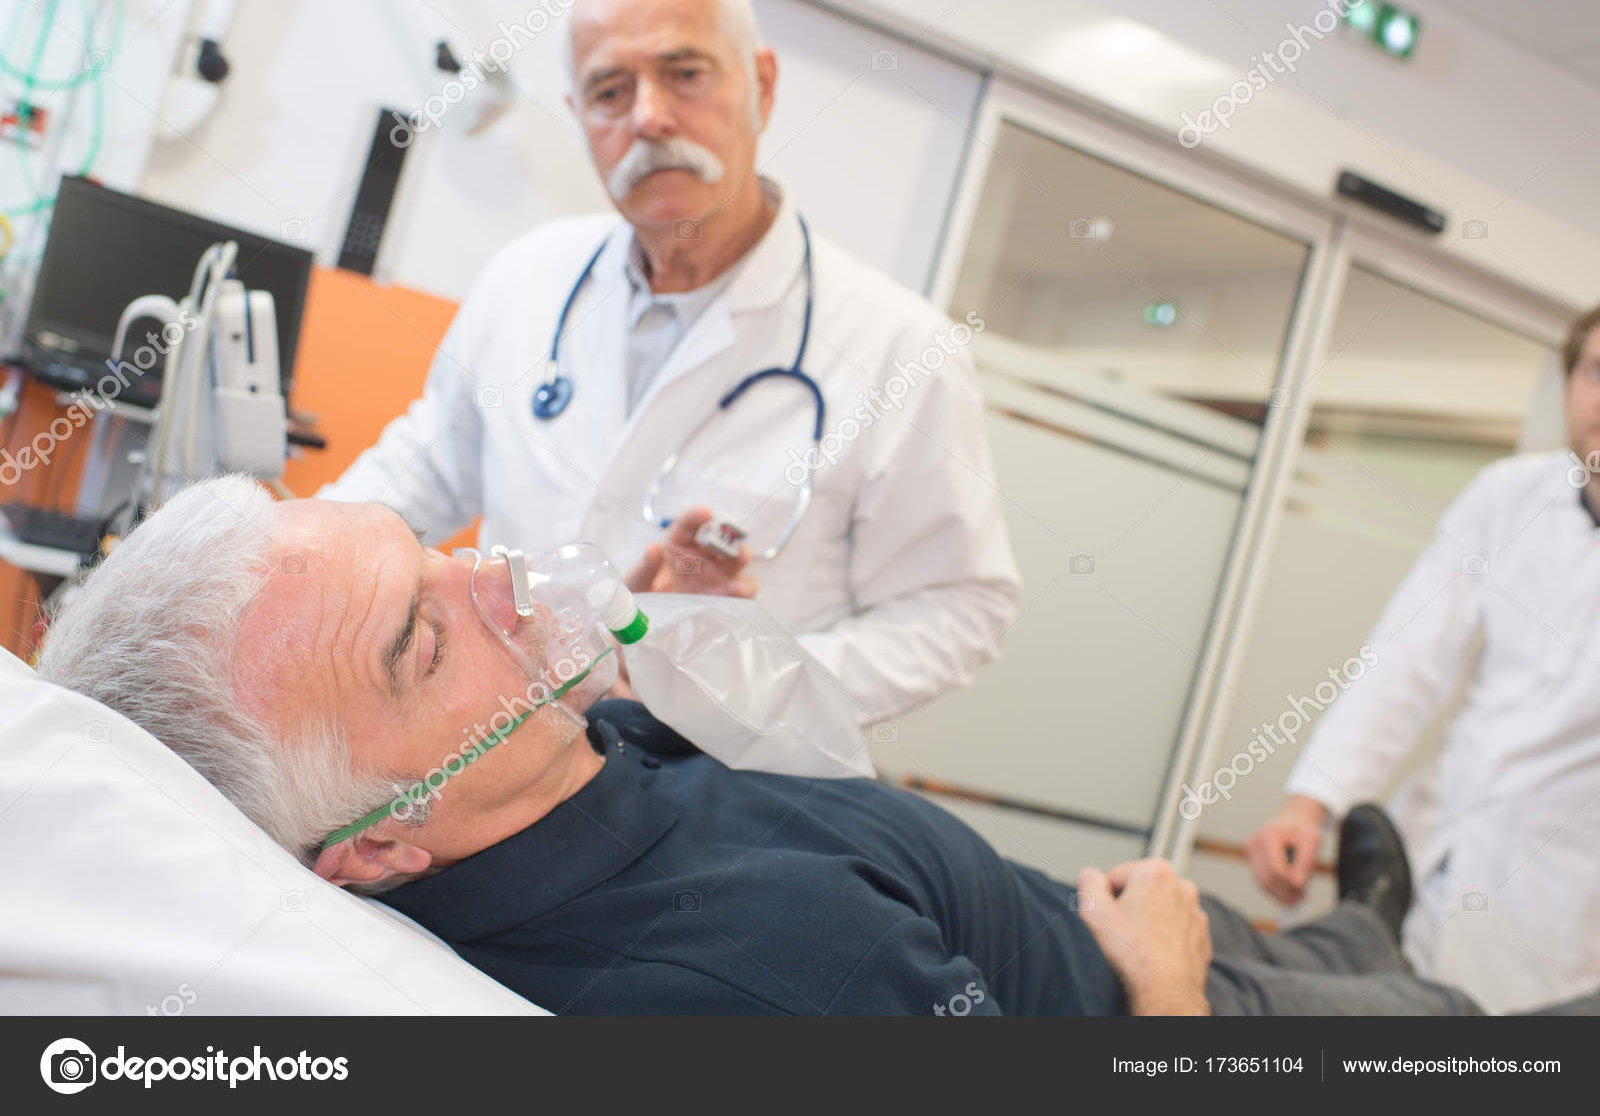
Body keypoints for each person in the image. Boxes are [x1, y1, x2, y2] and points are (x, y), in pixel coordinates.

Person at [35, 479, 1598, 1016]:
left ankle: (1352, 916)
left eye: (433, 547)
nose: (492, 578)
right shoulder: (751, 989)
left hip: (1069, 911)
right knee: (1439, 1010)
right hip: (1157, 989)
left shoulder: (534, 772)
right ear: (376, 842)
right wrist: (1172, 987)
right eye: (424, 633)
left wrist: (635, 643)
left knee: (1325, 930)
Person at [319, 0, 1019, 732]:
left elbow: (960, 607)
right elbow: (421, 472)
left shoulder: (899, 348)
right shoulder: (527, 279)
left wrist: (737, 681)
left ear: (762, 85)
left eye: (685, 73)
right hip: (499, 752)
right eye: (610, 91)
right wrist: (282, 555)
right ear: (579, 114)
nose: (648, 116)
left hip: (716, 788)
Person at [1245, 303, 1600, 1014]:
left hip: (1561, 909)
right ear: (1568, 387)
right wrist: (1312, 804)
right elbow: (1407, 657)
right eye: (1598, 372)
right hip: (1429, 851)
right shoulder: (1508, 496)